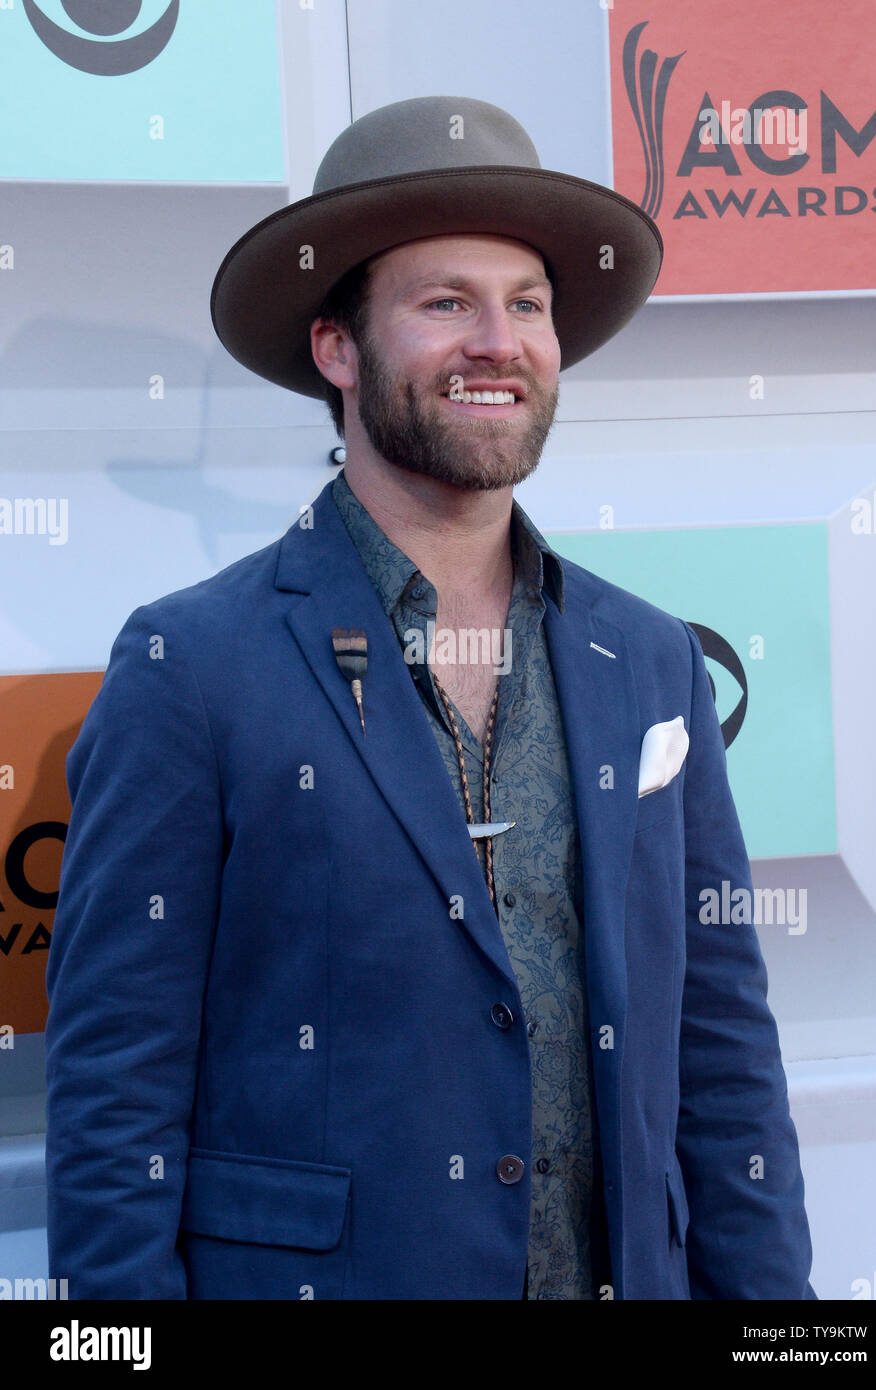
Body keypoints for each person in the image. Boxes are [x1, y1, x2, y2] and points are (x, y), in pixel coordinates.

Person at [45, 95, 815, 1300]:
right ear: (336, 348)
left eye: (526, 304)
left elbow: (719, 1056)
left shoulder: (652, 661)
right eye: (444, 302)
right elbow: (114, 1093)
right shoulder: (188, 669)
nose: (496, 342)